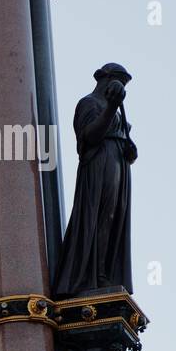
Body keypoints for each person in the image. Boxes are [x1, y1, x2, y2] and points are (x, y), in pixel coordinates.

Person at [54, 63, 138, 298]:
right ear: (104, 78)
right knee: (100, 214)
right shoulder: (89, 103)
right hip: (99, 163)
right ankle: (93, 273)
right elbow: (90, 136)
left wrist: (131, 151)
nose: (121, 86)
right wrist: (111, 107)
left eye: (124, 83)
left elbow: (121, 138)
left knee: (113, 218)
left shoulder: (118, 111)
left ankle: (106, 271)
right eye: (119, 80)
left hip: (118, 163)